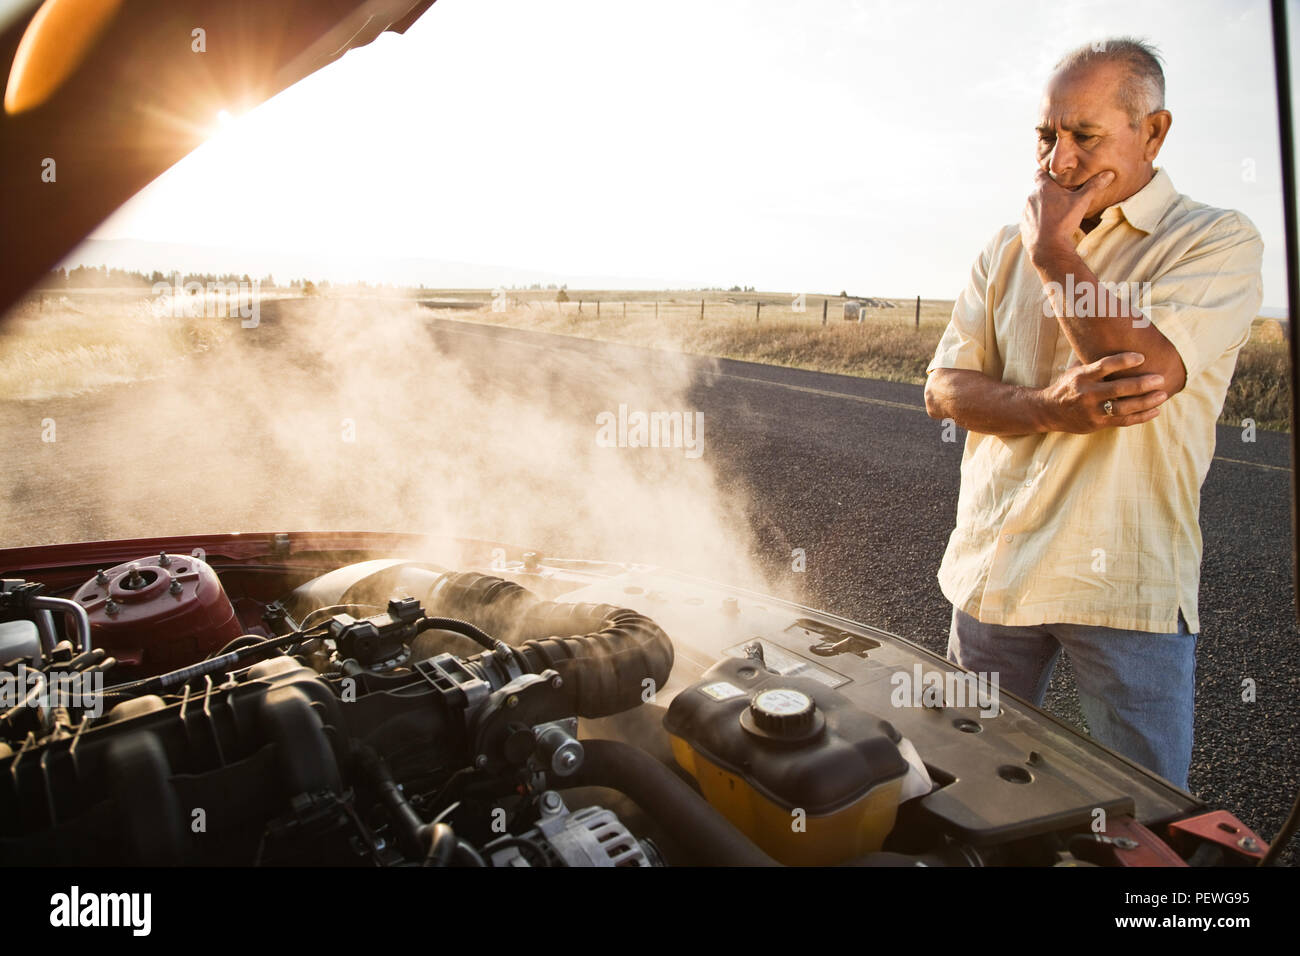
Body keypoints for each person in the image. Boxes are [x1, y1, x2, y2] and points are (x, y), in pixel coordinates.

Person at [923, 37, 1264, 791]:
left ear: (1155, 132)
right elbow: (943, 387)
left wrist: (1055, 255)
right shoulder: (1000, 250)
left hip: (1122, 589)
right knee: (967, 790)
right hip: (992, 573)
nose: (1059, 161)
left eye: (1085, 136)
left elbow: (1141, 376)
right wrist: (1047, 407)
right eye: (1046, 136)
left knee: (1145, 814)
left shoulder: (1215, 239)